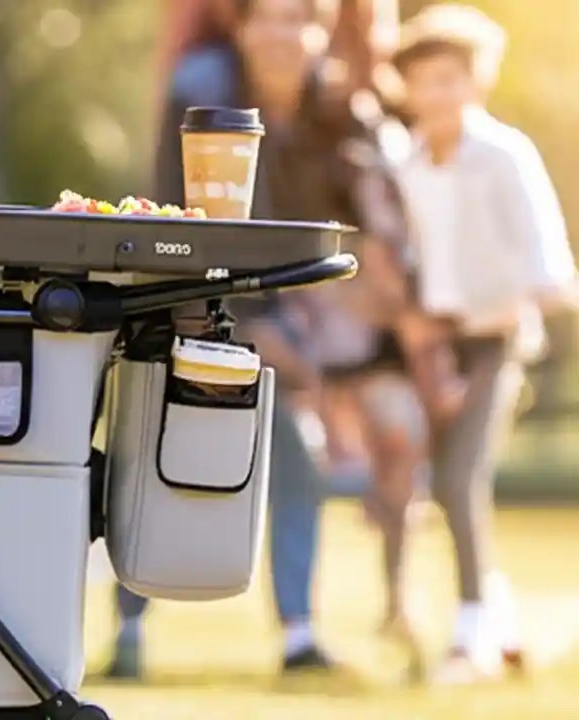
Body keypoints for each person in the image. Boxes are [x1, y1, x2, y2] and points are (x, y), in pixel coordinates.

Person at [107, 0, 395, 678]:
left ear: (321, 30)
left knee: (298, 461)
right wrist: (254, 333)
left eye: (301, 19)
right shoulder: (199, 94)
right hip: (189, 303)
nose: (285, 34)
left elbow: (367, 221)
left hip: (297, 313)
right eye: (270, 17)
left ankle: (298, 634)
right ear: (241, 27)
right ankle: (128, 633)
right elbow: (179, 230)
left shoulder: (340, 107)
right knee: (157, 458)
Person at [389, 4, 577, 683]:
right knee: (425, 489)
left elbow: (553, 277)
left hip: (494, 343)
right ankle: (500, 623)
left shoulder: (505, 156)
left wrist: (470, 323)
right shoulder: (405, 164)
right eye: (422, 81)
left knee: (457, 479)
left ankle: (470, 635)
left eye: (448, 79)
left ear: (475, 82)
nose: (434, 95)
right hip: (425, 349)